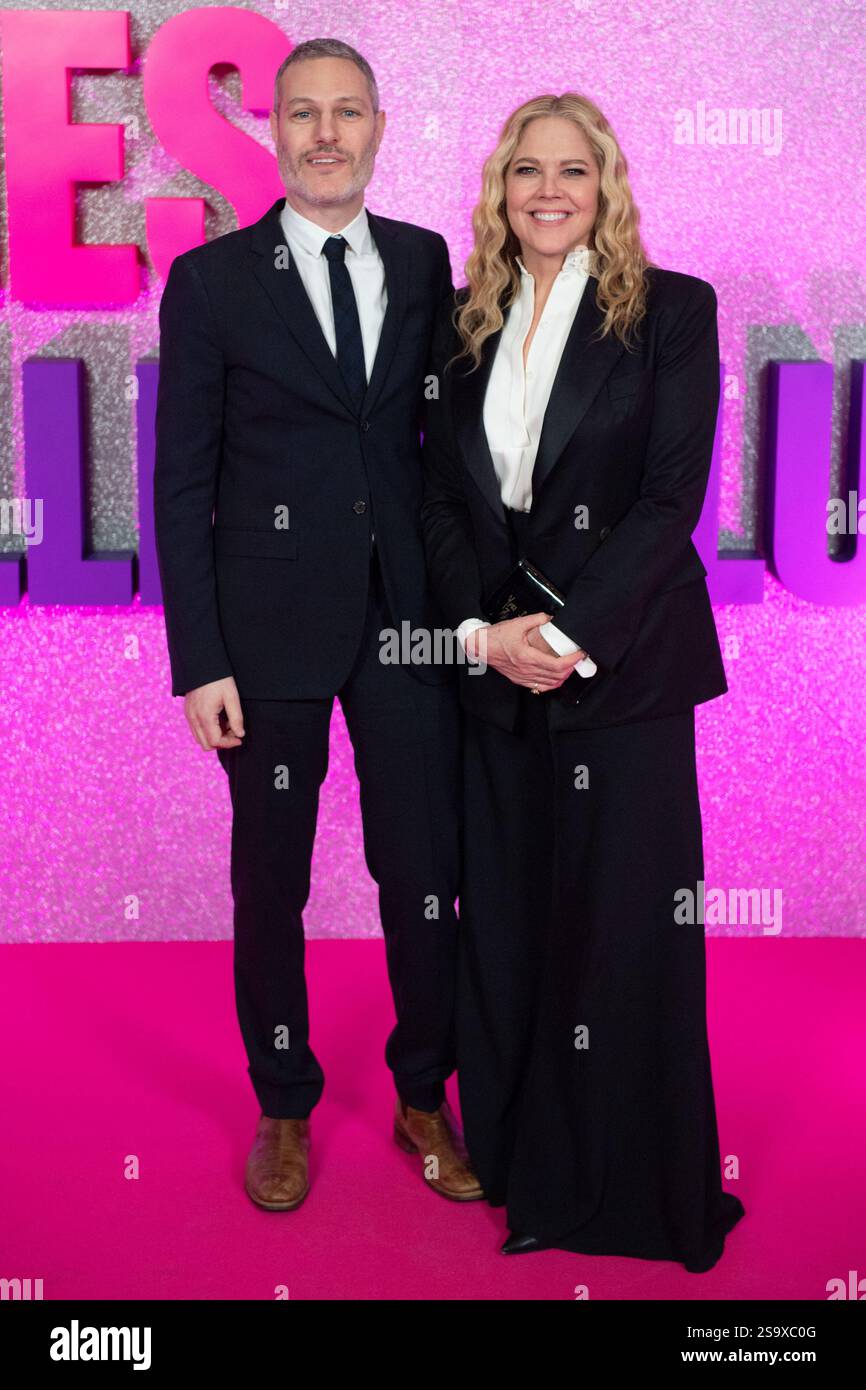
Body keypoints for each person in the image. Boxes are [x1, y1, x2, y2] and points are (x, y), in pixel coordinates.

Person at [154, 38, 482, 1211]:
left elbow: (441, 448)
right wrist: (200, 660)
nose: (325, 133)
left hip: (405, 626)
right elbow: (180, 483)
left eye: (347, 112)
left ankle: (420, 1095)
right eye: (302, 114)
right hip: (266, 635)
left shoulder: (425, 258)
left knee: (421, 868)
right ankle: (283, 1105)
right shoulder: (211, 283)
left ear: (379, 127)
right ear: (273, 131)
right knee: (271, 880)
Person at [421, 92, 745, 1271]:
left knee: (618, 931)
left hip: (622, 676)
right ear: (497, 190)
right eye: (524, 172)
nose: (546, 191)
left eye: (571, 170)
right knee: (504, 927)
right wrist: (478, 630)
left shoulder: (670, 311)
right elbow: (443, 502)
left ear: (605, 185)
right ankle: (520, 1166)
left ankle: (624, 1189)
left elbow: (670, 502)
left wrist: (557, 633)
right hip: (492, 678)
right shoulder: (463, 322)